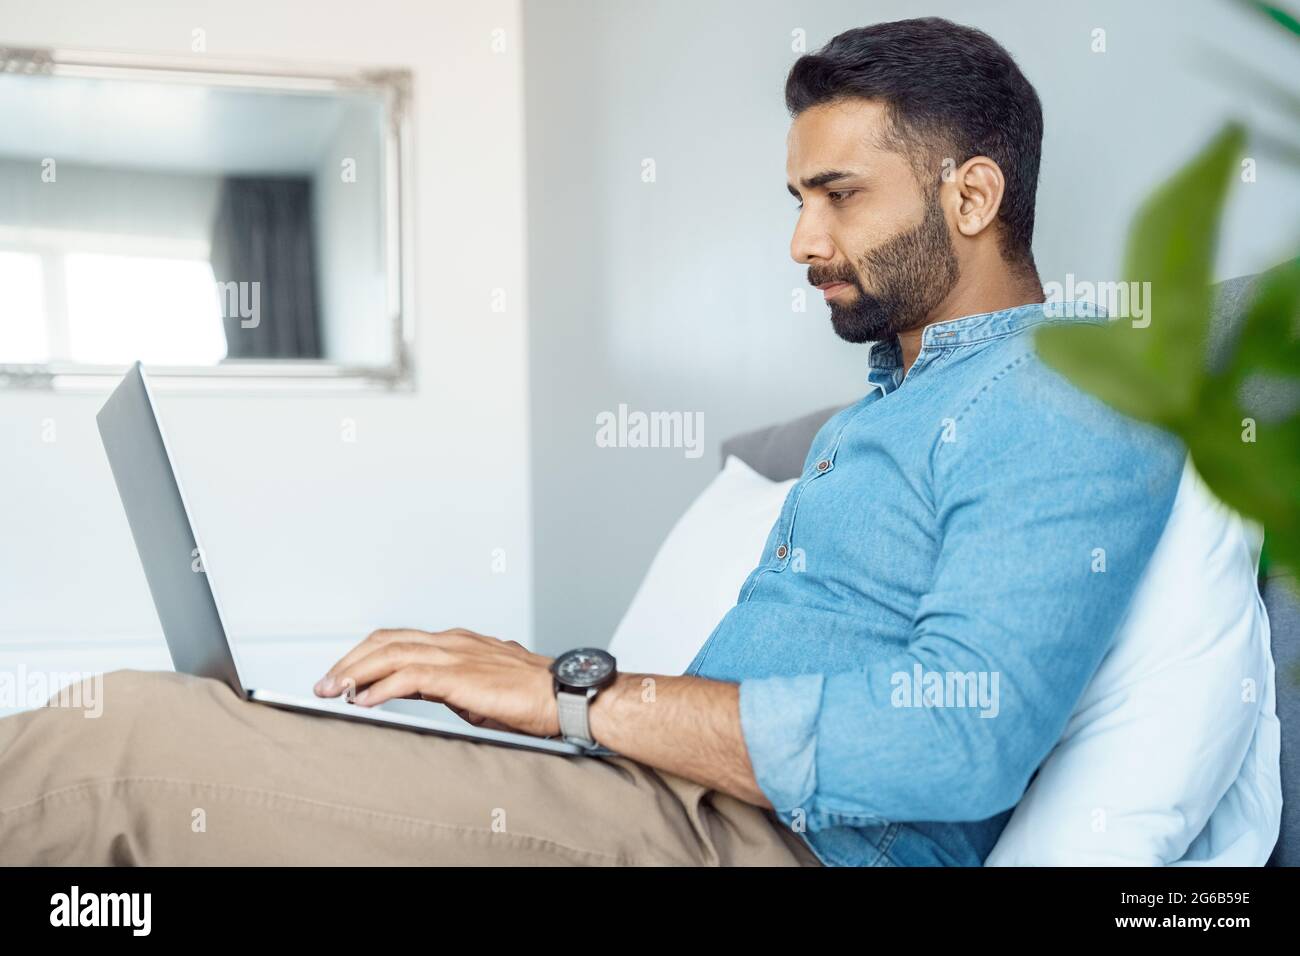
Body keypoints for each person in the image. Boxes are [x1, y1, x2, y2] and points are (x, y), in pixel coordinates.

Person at [0, 17, 1182, 866]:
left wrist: (573, 692)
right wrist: (556, 700)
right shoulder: (889, 399)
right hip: (652, 798)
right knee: (195, 731)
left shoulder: (1066, 398)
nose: (801, 240)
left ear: (971, 198)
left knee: (121, 748)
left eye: (839, 194)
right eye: (795, 201)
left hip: (753, 842)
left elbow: (958, 738)